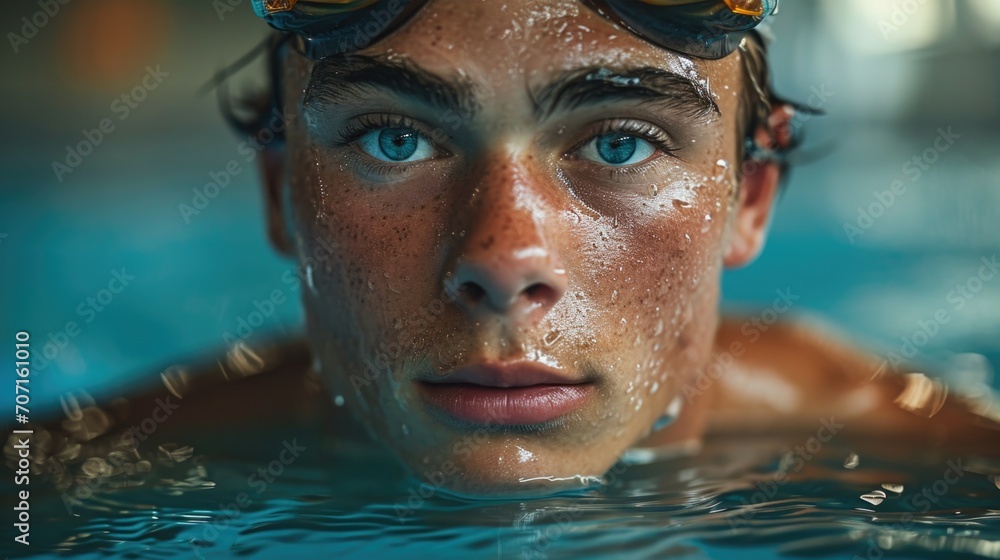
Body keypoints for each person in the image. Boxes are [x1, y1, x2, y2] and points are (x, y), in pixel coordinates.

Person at [9, 0, 999, 499]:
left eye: (619, 143)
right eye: (393, 140)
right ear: (282, 193)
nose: (502, 256)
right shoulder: (69, 475)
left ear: (748, 197)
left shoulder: (935, 460)